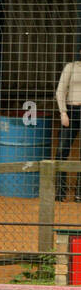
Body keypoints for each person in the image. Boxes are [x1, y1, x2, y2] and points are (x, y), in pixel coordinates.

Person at [56, 46, 81, 201]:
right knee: (62, 150)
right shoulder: (71, 67)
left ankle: (79, 193)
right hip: (71, 110)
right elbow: (60, 91)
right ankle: (60, 191)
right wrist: (63, 112)